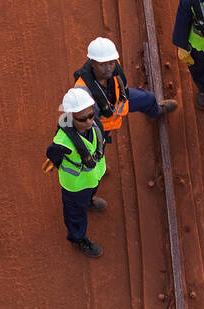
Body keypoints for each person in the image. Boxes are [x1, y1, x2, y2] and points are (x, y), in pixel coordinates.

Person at [43, 88, 110, 257]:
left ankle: (89, 201)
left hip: (94, 175)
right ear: (71, 116)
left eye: (90, 115)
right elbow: (53, 155)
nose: (88, 121)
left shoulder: (96, 125)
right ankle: (78, 238)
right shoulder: (62, 141)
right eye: (82, 119)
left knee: (91, 192)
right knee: (75, 214)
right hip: (76, 184)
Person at [73, 37, 176, 130]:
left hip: (120, 101)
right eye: (102, 65)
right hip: (102, 125)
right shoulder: (82, 94)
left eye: (111, 63)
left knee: (148, 98)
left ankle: (157, 111)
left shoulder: (113, 64)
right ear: (92, 62)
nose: (108, 68)